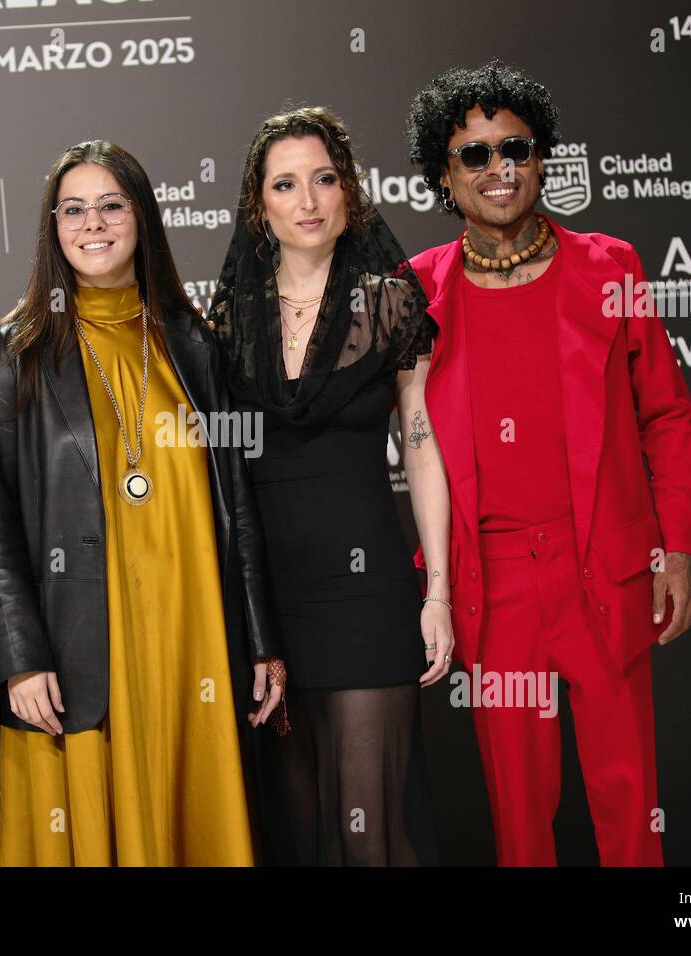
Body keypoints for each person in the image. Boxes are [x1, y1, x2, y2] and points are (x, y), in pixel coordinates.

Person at [405, 61, 691, 865]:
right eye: (474, 153)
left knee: (630, 800)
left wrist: (676, 547)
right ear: (443, 172)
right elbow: (402, 439)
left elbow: (670, 413)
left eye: (517, 147)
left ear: (542, 160)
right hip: (494, 587)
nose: (498, 168)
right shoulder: (415, 293)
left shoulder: (613, 267)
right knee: (520, 818)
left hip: (604, 565)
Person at [0, 140, 284, 866]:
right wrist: (20, 658)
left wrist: (261, 638)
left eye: (112, 205)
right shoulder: (15, 354)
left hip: (193, 646)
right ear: (53, 227)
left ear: (142, 217)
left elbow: (235, 506)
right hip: (80, 650)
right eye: (75, 208)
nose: (94, 223)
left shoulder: (193, 345)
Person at [209, 106, 451, 866]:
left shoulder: (390, 304)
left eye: (325, 179)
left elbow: (419, 444)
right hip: (268, 603)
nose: (308, 201)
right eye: (287, 184)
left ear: (350, 194)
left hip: (366, 594)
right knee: (303, 836)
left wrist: (437, 590)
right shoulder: (225, 327)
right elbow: (215, 470)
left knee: (368, 832)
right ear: (260, 207)